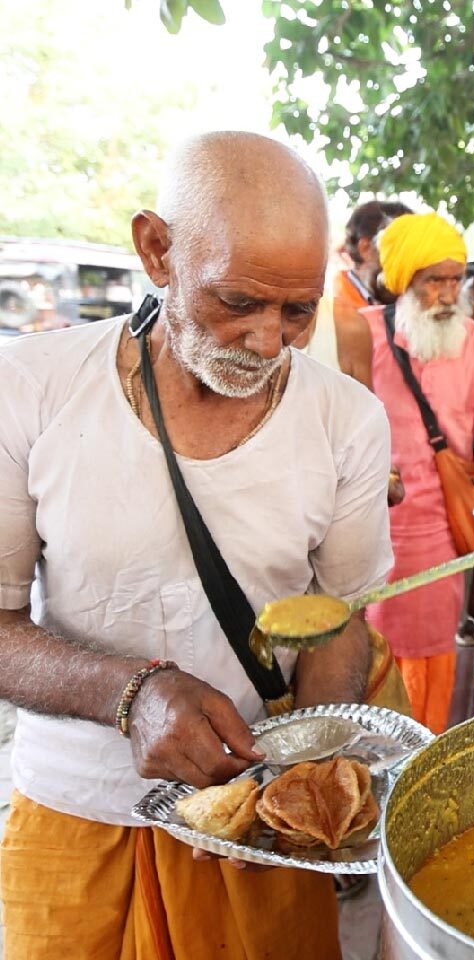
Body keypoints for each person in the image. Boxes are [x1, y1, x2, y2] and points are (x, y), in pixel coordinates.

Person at [0, 132, 392, 958]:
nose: (267, 342)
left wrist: (304, 775)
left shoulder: (348, 422)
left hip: (258, 835)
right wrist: (132, 693)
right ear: (157, 250)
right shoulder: (30, 391)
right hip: (74, 821)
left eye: (297, 310)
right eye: (236, 302)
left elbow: (341, 618)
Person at [364, 213, 474, 732]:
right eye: (431, 281)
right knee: (364, 657)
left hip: (438, 531)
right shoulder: (364, 333)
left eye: (452, 280)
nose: (446, 294)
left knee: (429, 657)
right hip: (365, 526)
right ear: (403, 282)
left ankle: (419, 762)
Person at [299, 198, 414, 389]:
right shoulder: (328, 315)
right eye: (400, 247)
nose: (412, 259)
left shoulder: (412, 311)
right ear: (366, 248)